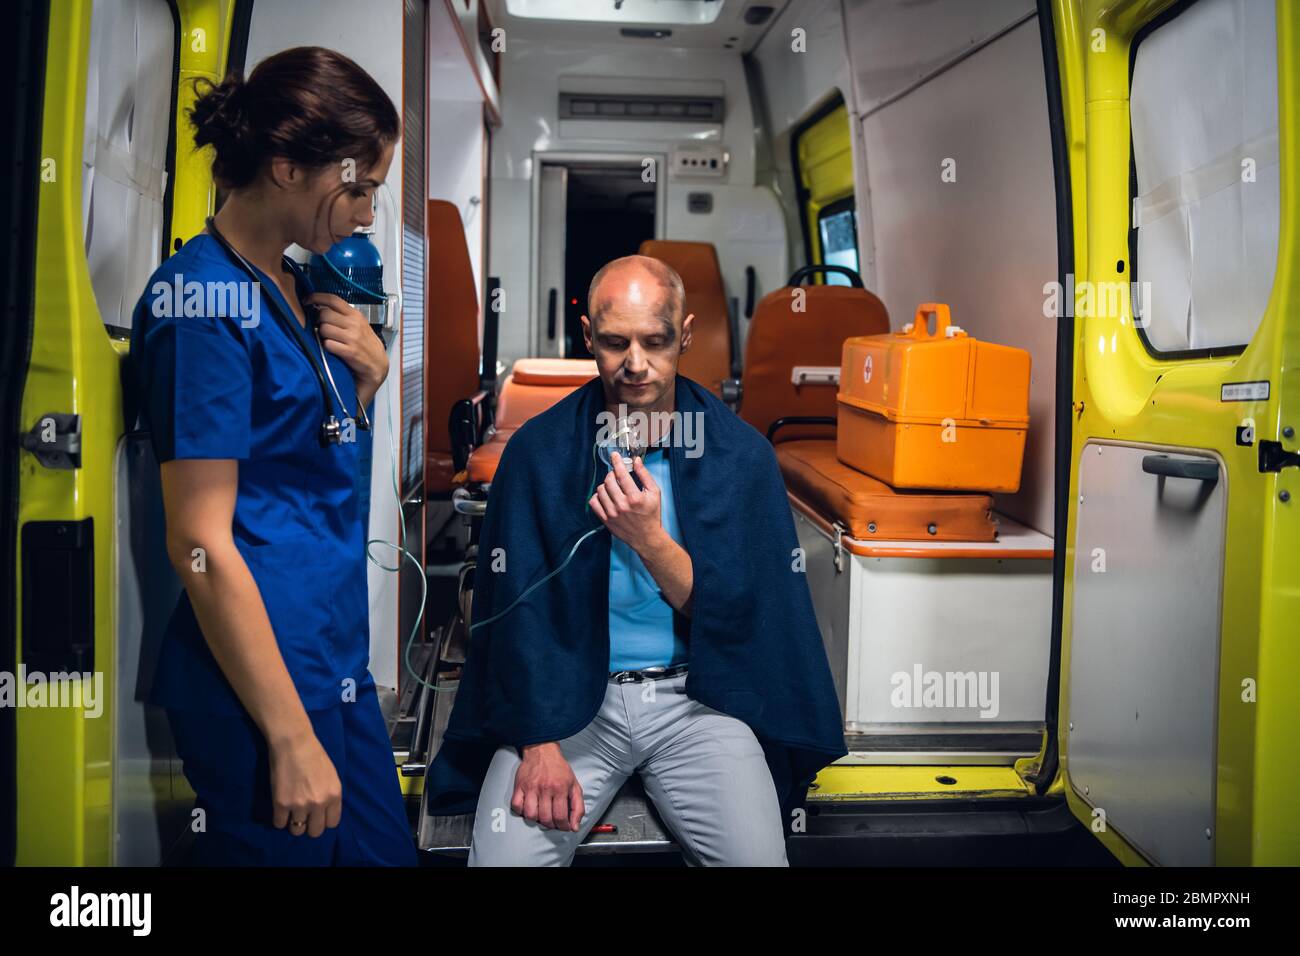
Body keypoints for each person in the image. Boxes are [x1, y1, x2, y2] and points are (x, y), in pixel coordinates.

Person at [423, 255, 848, 866]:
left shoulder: (739, 456)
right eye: (616, 342)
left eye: (656, 341)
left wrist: (648, 537)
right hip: (569, 707)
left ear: (686, 335)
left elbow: (734, 614)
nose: (637, 364)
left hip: (696, 705)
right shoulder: (539, 453)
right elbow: (513, 617)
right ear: (588, 338)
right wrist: (538, 745)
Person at [127, 46, 416, 866]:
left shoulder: (295, 285)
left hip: (332, 663)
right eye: (357, 188)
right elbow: (201, 541)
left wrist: (366, 384)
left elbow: (300, 456)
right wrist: (289, 738)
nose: (365, 214)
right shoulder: (201, 307)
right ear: (288, 168)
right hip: (264, 691)